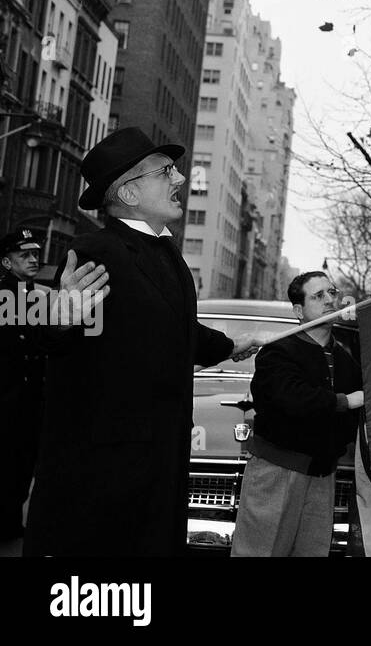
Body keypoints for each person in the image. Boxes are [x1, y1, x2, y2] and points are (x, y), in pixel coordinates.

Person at [24, 127, 257, 557]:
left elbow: (163, 329)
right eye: (166, 171)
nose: (180, 180)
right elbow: (54, 336)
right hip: (106, 477)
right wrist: (59, 320)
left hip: (158, 465)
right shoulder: (97, 252)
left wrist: (227, 346)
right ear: (129, 193)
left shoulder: (164, 252)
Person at [231, 271, 363, 557]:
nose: (330, 300)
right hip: (276, 474)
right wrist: (344, 402)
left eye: (332, 292)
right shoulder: (277, 352)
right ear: (298, 311)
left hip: (323, 476)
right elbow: (292, 399)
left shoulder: (345, 360)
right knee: (259, 552)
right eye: (318, 296)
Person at [0, 227, 47, 540]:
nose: (33, 259)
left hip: (31, 399)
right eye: (24, 255)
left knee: (23, 465)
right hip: (6, 398)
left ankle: (10, 522)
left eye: (35, 254)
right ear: (6, 262)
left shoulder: (37, 296)